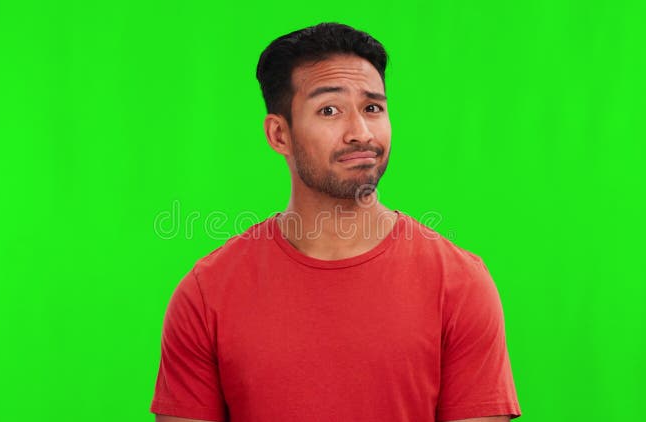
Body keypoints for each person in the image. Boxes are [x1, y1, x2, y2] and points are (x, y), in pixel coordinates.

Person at [150, 22, 521, 422]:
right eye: (329, 110)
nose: (360, 133)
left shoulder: (459, 284)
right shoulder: (206, 295)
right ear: (279, 135)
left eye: (373, 108)